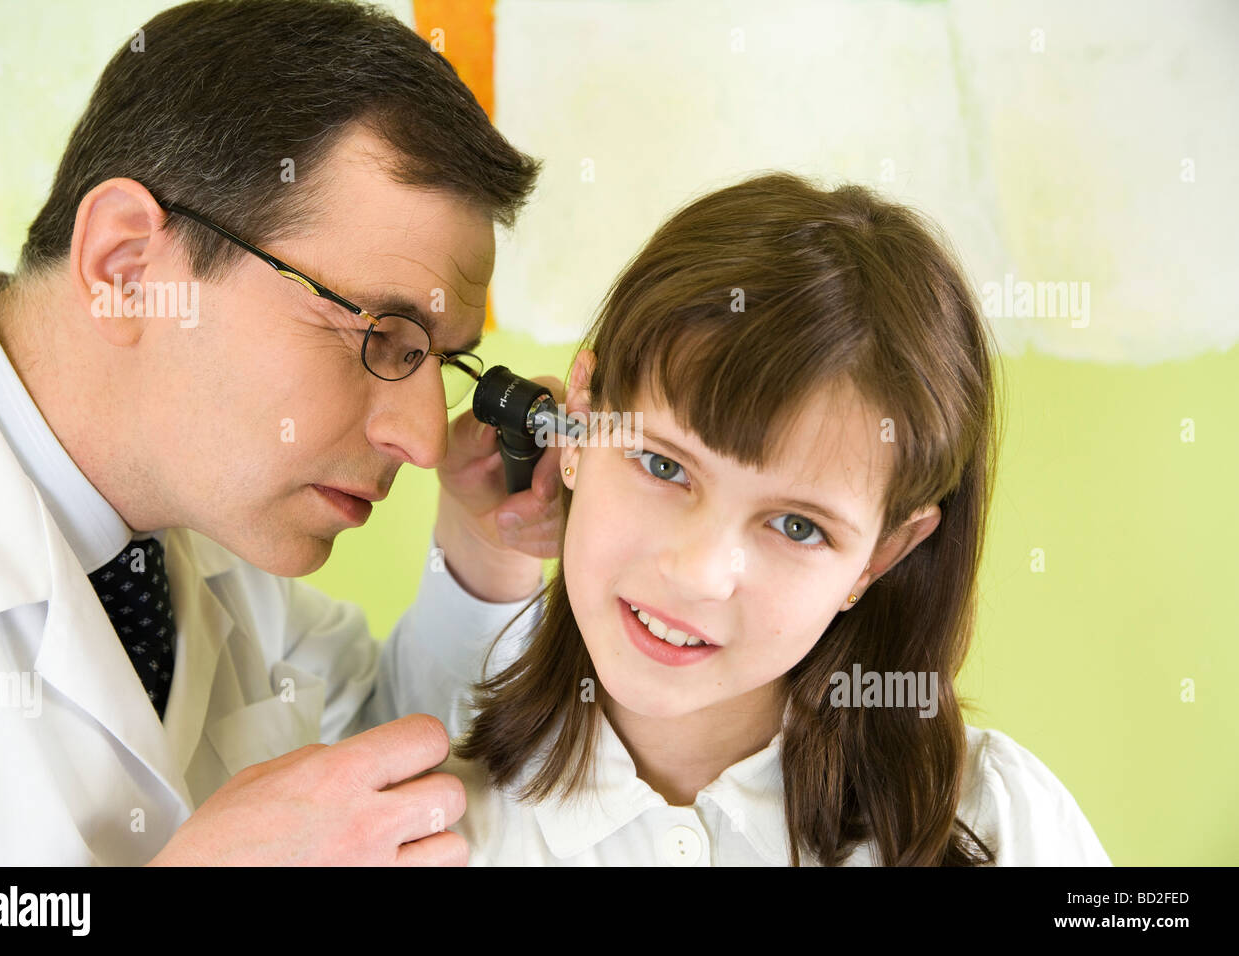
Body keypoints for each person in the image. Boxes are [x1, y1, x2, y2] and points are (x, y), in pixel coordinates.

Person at [0, 0, 566, 865]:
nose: (424, 441)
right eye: (379, 336)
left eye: (437, 361)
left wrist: (479, 541)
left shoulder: (203, 526)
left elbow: (386, 774)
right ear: (126, 268)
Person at [440, 172, 1114, 866]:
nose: (700, 575)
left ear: (882, 556)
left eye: (797, 526)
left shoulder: (1000, 824)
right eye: (664, 466)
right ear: (577, 424)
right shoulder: (426, 832)